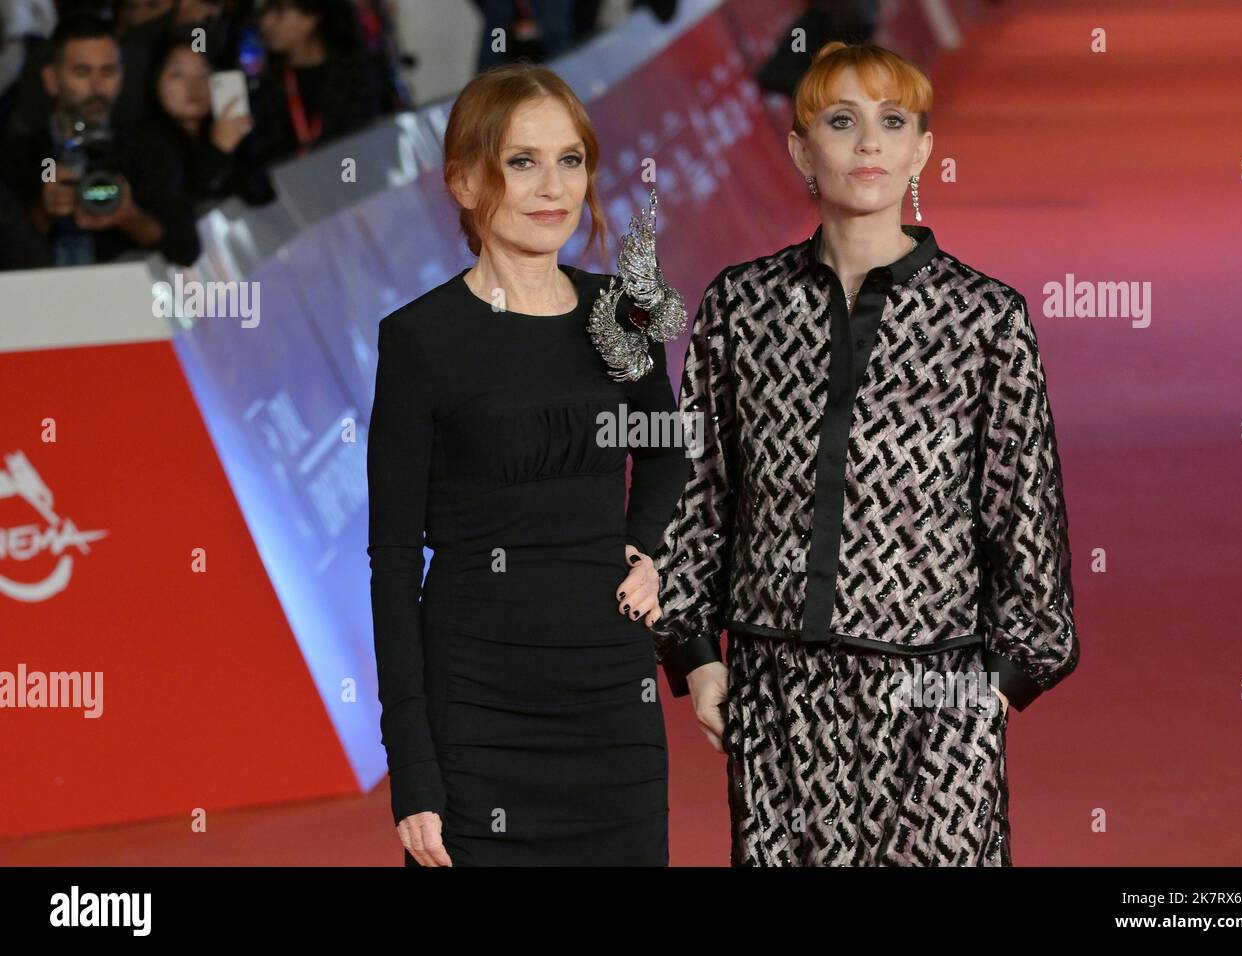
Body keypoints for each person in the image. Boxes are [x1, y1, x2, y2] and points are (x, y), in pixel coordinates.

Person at [648, 40, 1080, 866]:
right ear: (801, 151)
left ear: (922, 150)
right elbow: (699, 495)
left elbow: (1025, 515)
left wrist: (992, 689)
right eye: (841, 122)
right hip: (778, 687)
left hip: (936, 687)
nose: (868, 144)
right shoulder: (741, 307)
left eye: (892, 122)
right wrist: (697, 657)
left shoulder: (985, 318)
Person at [367, 62, 690, 866]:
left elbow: (667, 456)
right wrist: (412, 766)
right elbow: (393, 561)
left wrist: (648, 546)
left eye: (571, 160)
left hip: (611, 694)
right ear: (466, 182)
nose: (554, 187)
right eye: (523, 162)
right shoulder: (421, 340)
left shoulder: (623, 314)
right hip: (478, 704)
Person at [0, 14, 199, 266]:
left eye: (108, 71)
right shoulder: (18, 155)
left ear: (122, 74)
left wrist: (128, 218)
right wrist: (43, 213)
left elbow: (187, 248)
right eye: (82, 72)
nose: (97, 88)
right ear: (51, 80)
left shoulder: (150, 147)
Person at [143, 36, 274, 208]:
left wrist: (241, 144)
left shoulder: (222, 132)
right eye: (178, 75)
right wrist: (219, 149)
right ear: (155, 81)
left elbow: (262, 196)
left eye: (204, 73)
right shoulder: (145, 143)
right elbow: (176, 208)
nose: (194, 85)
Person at [252, 0, 382, 163]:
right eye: (265, 12)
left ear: (312, 17)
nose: (265, 22)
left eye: (279, 12)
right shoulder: (265, 87)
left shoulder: (356, 77)